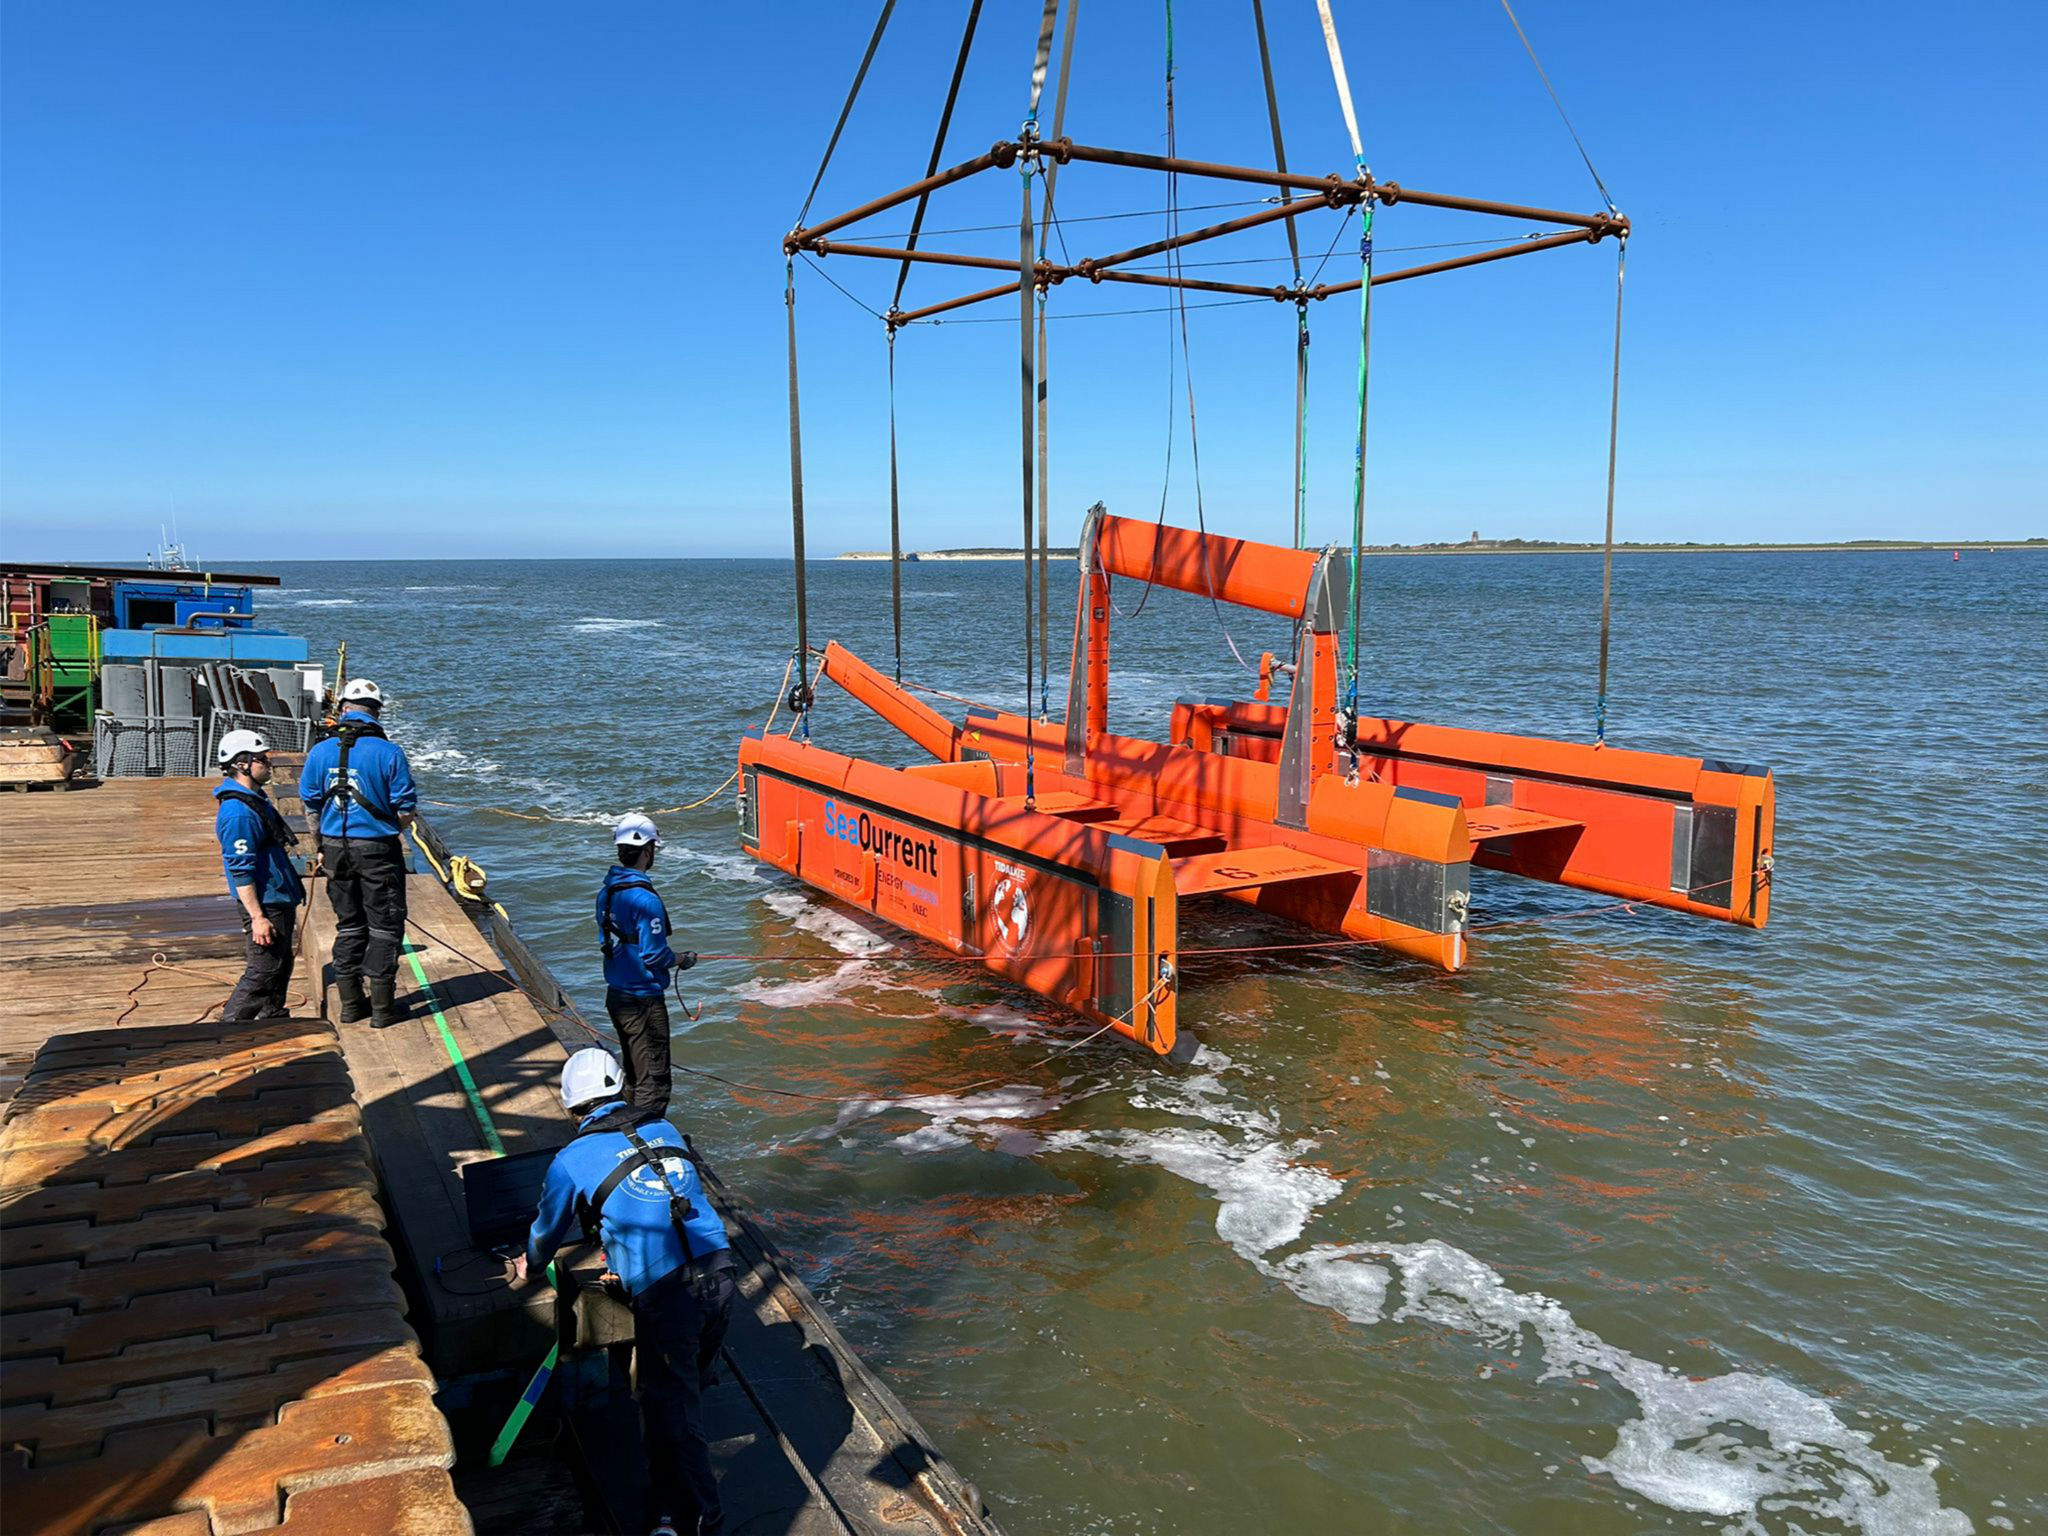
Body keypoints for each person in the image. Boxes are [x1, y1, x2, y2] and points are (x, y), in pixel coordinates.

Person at [518, 1048, 736, 1536]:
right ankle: (667, 1504)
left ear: (572, 1108)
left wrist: (529, 1265)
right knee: (684, 1393)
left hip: (669, 1294)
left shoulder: (571, 1160)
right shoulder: (665, 1129)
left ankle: (702, 1519)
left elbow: (545, 1235)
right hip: (719, 1271)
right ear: (621, 1091)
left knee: (672, 1415)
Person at [299, 678, 418, 1028]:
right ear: (377, 712)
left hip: (335, 849)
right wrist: (389, 831)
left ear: (344, 709)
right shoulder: (390, 752)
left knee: (349, 925)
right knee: (384, 927)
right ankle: (382, 1011)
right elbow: (406, 809)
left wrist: (321, 845)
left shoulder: (319, 752)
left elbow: (310, 805)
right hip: (378, 849)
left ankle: (351, 1004)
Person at [598, 814, 697, 1118]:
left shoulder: (608, 891)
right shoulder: (645, 900)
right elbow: (654, 955)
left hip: (617, 996)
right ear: (647, 851)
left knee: (634, 1072)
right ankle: (647, 1140)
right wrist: (683, 959)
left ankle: (630, 1130)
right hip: (643, 1002)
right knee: (654, 1081)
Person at [213, 728, 306, 1021]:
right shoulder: (238, 813)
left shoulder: (255, 800)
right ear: (242, 764)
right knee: (263, 969)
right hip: (265, 903)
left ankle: (271, 1018)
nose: (268, 763)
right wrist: (257, 917)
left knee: (281, 963)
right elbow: (240, 870)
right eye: (261, 759)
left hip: (277, 897)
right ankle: (228, 1029)